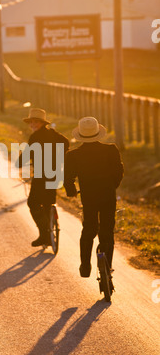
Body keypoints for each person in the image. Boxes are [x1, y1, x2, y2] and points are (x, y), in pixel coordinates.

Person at [64, 116, 124, 277]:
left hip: (89, 197)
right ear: (98, 132)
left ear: (81, 134)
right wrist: (112, 186)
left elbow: (68, 178)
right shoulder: (111, 149)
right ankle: (107, 268)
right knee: (107, 232)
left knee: (88, 230)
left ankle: (85, 266)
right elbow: (119, 172)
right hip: (108, 195)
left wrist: (71, 191)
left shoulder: (73, 155)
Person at [17, 108, 69, 247]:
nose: (33, 124)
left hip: (42, 175)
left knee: (33, 203)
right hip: (56, 173)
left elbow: (27, 154)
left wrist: (19, 163)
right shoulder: (52, 133)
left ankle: (44, 235)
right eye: (31, 122)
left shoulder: (35, 137)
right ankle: (48, 232)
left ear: (42, 123)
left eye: (36, 122)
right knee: (47, 203)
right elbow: (66, 143)